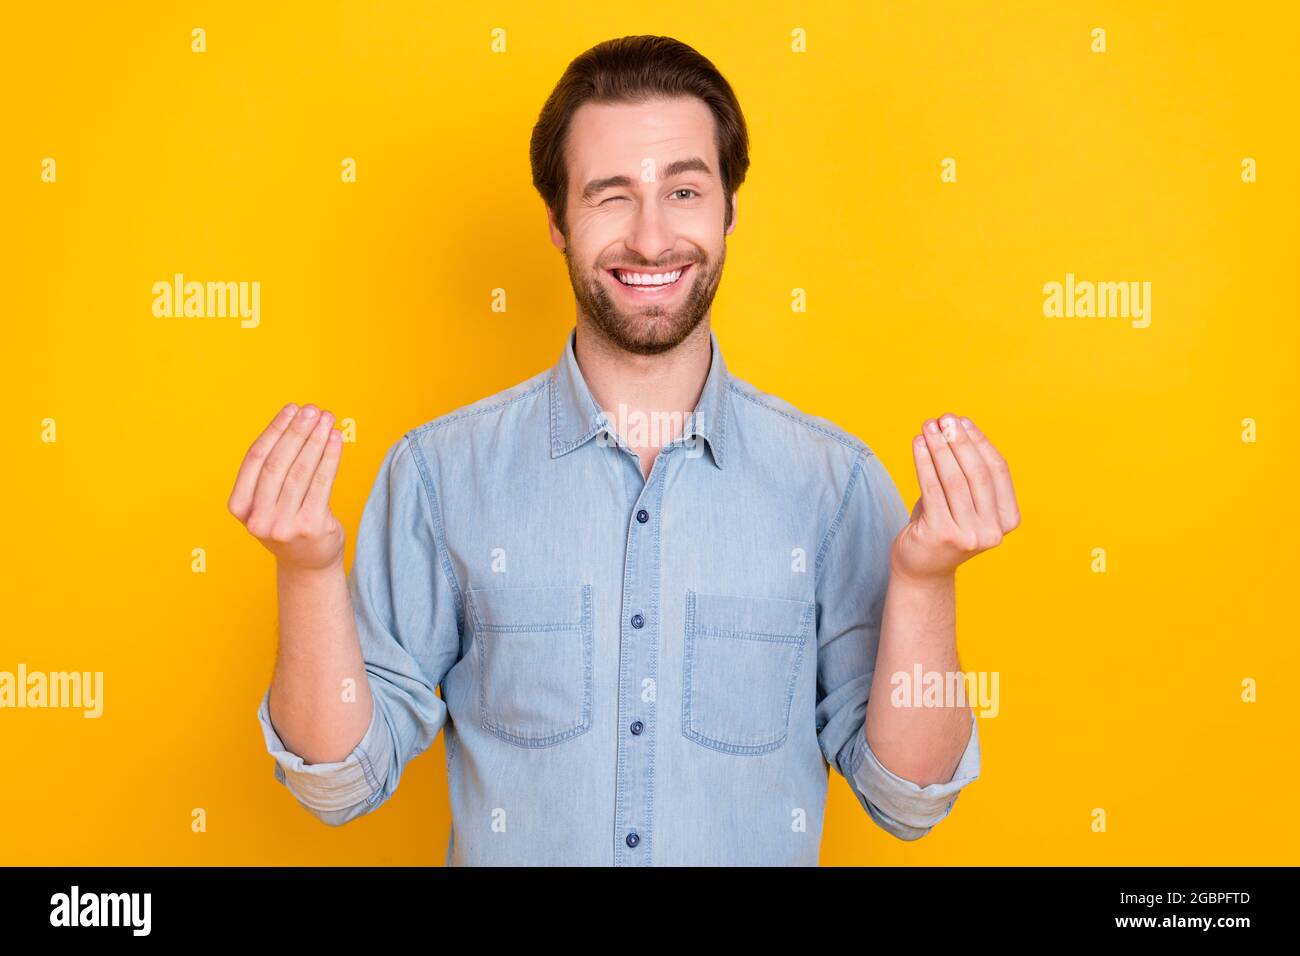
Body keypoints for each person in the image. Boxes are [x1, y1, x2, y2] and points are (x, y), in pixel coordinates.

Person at [228, 35, 1020, 865]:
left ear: (729, 212)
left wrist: (928, 582)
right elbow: (339, 783)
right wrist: (306, 573)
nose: (650, 238)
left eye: (683, 189)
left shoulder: (835, 484)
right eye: (611, 196)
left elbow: (907, 796)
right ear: (557, 222)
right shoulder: (436, 474)